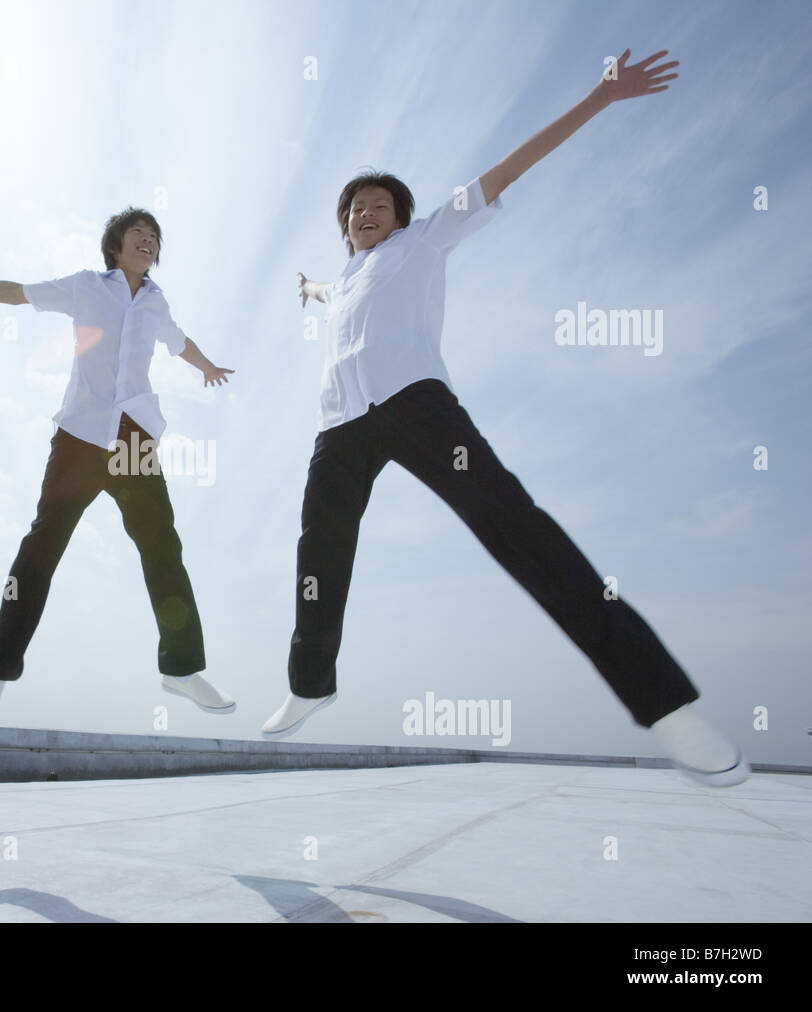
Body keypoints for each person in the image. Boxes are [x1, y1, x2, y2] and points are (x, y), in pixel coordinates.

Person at [260, 49, 750, 787]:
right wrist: (311, 290)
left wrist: (598, 97)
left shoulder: (424, 242)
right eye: (354, 208)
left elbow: (509, 167)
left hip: (418, 406)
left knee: (517, 529)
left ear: (401, 216)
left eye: (379, 205)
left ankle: (667, 706)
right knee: (318, 554)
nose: (365, 212)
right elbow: (333, 292)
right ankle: (310, 682)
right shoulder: (348, 278)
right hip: (338, 428)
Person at [0, 208, 236, 728]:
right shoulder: (87, 287)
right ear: (115, 245)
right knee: (43, 545)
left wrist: (208, 366)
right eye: (138, 234)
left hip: (134, 438)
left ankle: (183, 668)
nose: (148, 241)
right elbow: (18, 292)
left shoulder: (157, 303)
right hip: (81, 435)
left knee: (163, 549)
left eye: (155, 237)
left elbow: (180, 342)